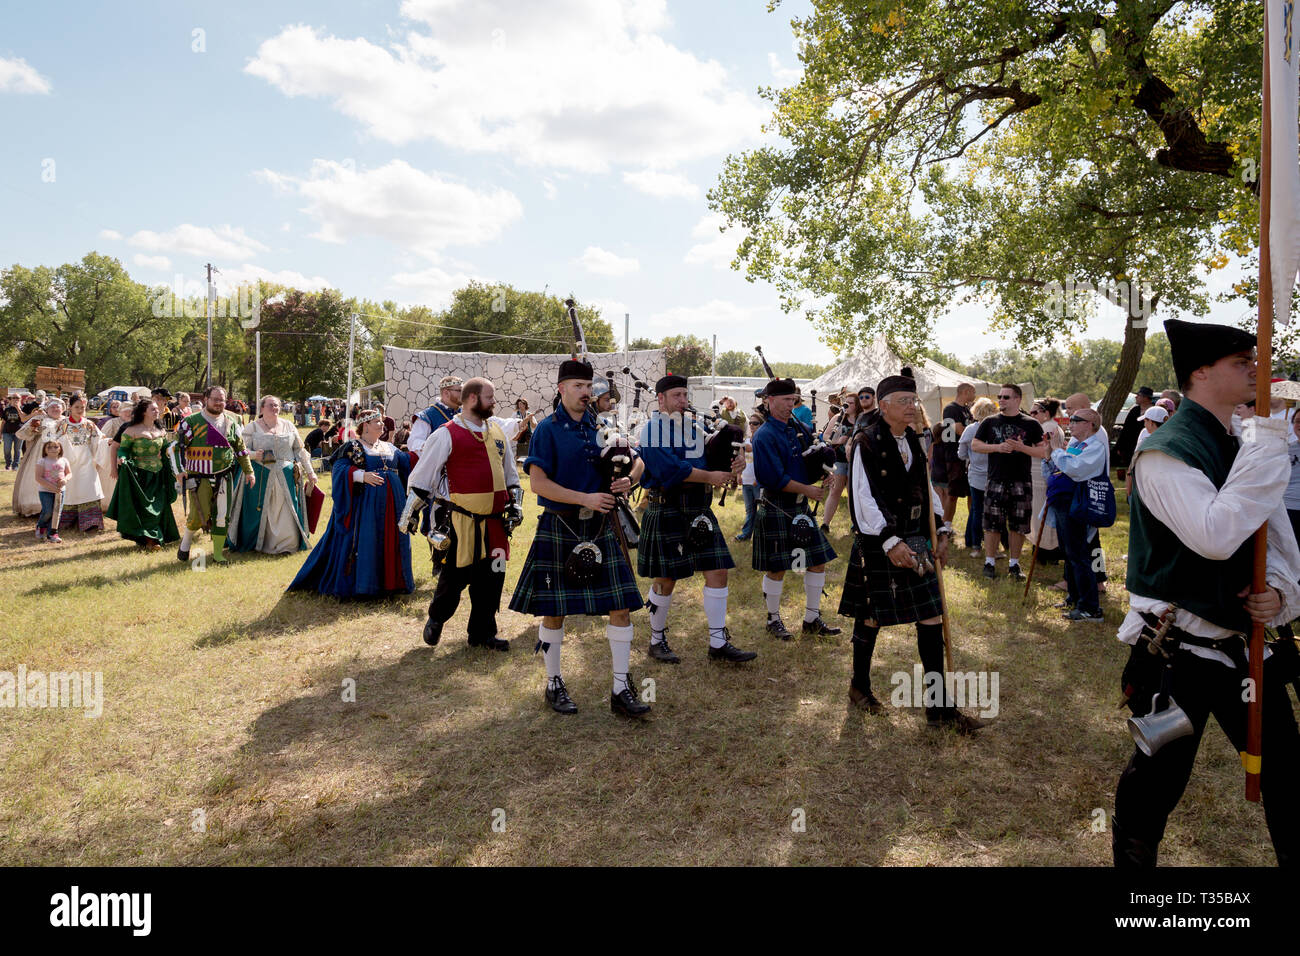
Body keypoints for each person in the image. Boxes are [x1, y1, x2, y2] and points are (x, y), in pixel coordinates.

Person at [1111, 318, 1300, 867]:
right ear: (1200, 373)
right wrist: (1268, 438)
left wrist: (1282, 596)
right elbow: (1215, 537)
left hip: (1244, 648)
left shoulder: (1239, 440)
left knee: (1289, 776)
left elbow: (1278, 539)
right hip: (1178, 650)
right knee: (1155, 782)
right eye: (1243, 363)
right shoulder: (1167, 451)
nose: (1256, 371)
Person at [507, 359, 651, 718]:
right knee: (555, 612)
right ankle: (553, 683)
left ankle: (620, 688)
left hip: (601, 527)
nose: (586, 393)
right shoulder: (547, 430)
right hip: (561, 524)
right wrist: (584, 497)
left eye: (589, 387)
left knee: (620, 607)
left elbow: (639, 462)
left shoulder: (600, 426)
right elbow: (537, 483)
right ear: (561, 389)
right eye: (578, 386)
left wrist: (627, 480)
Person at [839, 376, 983, 732]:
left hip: (918, 538)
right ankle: (859, 686)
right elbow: (862, 497)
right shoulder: (865, 441)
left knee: (931, 616)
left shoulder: (916, 441)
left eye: (913, 400)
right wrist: (890, 541)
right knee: (872, 616)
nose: (910, 406)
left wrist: (943, 529)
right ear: (883, 405)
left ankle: (939, 710)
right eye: (902, 400)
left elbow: (926, 489)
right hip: (879, 542)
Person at [637, 374, 756, 665]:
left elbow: (715, 454)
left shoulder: (694, 427)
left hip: (698, 508)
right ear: (660, 399)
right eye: (676, 395)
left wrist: (736, 460)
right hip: (667, 507)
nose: (682, 400)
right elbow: (671, 471)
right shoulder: (652, 430)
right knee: (667, 578)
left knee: (718, 570)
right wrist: (711, 476)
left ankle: (718, 643)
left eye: (684, 395)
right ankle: (656, 640)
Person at [404, 377, 523, 651]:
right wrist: (410, 513)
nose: (494, 402)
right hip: (461, 522)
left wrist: (514, 502)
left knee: (493, 578)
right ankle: (437, 617)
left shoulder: (496, 432)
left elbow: (510, 475)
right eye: (489, 397)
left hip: (495, 525)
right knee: (454, 579)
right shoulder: (446, 433)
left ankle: (482, 633)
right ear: (472, 399)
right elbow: (422, 477)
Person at [288, 410, 414, 598]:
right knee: (369, 539)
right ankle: (366, 585)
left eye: (381, 421)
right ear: (365, 426)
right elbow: (339, 469)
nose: (382, 425)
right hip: (365, 507)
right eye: (376, 422)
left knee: (391, 538)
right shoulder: (353, 446)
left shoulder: (390, 447)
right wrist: (361, 475)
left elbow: (408, 464)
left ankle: (393, 583)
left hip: (392, 504)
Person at [751, 378, 840, 640]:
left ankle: (812, 618)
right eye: (785, 400)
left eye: (793, 400)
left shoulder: (796, 428)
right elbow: (772, 478)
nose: (790, 405)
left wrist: (825, 472)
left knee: (816, 562)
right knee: (777, 567)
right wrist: (806, 489)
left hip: (800, 506)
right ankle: (773, 619)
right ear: (769, 401)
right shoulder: (764, 435)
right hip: (777, 505)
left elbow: (813, 454)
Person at [1022, 405, 1107, 621]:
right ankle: (1075, 597)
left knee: (1079, 554)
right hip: (1062, 502)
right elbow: (1058, 469)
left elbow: (1075, 468)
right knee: (1069, 553)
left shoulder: (1095, 447)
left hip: (1077, 503)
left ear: (1090, 424)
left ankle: (1090, 607)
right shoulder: (1077, 444)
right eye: (1071, 418)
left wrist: (1058, 451)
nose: (1071, 422)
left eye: (1077, 419)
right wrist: (1049, 455)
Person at [171, 386, 256, 564]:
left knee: (222, 516)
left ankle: (218, 554)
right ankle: (185, 544)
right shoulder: (191, 421)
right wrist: (179, 471)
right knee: (197, 516)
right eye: (215, 399)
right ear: (206, 399)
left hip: (225, 475)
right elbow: (176, 448)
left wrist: (249, 470)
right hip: (199, 477)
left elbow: (240, 448)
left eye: (222, 400)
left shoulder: (234, 420)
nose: (219, 403)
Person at [971, 383, 1043, 580]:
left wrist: (1022, 448)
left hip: (1022, 481)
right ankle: (990, 562)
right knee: (992, 524)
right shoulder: (989, 422)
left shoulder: (1031, 423)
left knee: (1019, 525)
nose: (1001, 400)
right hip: (996, 480)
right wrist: (997, 447)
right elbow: (975, 445)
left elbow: (1044, 451)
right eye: (1000, 397)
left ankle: (1014, 564)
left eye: (1006, 397)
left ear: (1018, 400)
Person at [230, 395, 316, 555]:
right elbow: (240, 451)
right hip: (260, 475)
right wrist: (256, 455)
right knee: (263, 509)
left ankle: (287, 545)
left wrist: (310, 472)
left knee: (286, 509)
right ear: (262, 408)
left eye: (276, 405)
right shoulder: (252, 428)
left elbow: (299, 450)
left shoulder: (289, 425)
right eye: (270, 405)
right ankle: (261, 544)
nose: (274, 408)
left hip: (286, 475)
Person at [106, 399, 180, 551]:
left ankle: (157, 536)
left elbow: (166, 448)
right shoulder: (131, 430)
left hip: (159, 473)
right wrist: (122, 459)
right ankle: (150, 540)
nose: (157, 411)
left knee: (159, 505)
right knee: (145, 508)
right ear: (143, 412)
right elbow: (123, 449)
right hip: (140, 474)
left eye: (156, 409)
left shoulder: (160, 429)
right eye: (153, 409)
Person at [50, 392, 107, 534]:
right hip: (67, 461)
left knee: (89, 488)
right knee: (69, 489)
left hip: (86, 461)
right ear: (70, 407)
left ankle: (90, 522)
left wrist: (107, 442)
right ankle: (67, 521)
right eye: (77, 407)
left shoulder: (89, 424)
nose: (80, 410)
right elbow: (52, 443)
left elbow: (99, 440)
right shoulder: (61, 424)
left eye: (83, 407)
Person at [957, 397, 1001, 557]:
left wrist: (971, 457)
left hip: (976, 475)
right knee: (995, 512)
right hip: (994, 475)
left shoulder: (970, 429)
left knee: (977, 510)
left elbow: (961, 454)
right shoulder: (996, 429)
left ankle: (976, 546)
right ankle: (994, 548)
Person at [1026, 398, 1067, 561]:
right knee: (1039, 511)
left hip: (1043, 476)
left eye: (1035, 412)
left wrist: (1021, 447)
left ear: (1046, 413)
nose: (1031, 415)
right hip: (1041, 474)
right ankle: (1044, 548)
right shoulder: (1047, 426)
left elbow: (1045, 452)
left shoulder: (1048, 427)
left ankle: (1046, 551)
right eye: (1031, 412)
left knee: (1041, 512)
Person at [931, 383, 976, 527]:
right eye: (973, 392)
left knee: (972, 494)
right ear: (966, 392)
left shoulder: (967, 410)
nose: (974, 396)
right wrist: (976, 436)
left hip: (970, 457)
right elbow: (958, 430)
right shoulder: (951, 409)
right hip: (955, 456)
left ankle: (972, 526)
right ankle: (946, 525)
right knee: (953, 495)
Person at [12, 398, 65, 517]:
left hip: (60, 453)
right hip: (40, 452)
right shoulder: (41, 418)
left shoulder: (66, 421)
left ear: (63, 409)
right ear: (47, 409)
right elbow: (21, 434)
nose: (55, 409)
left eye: (58, 407)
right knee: (37, 476)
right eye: (52, 407)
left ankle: (58, 506)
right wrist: (32, 428)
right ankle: (36, 505)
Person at [819, 393, 861, 532]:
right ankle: (825, 523)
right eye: (846, 402)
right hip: (839, 459)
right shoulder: (838, 418)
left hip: (856, 460)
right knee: (835, 490)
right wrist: (838, 441)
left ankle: (855, 524)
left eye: (851, 403)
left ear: (857, 405)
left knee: (852, 492)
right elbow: (825, 436)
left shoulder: (862, 419)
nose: (847, 405)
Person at [1124, 405, 1170, 498]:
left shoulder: (1145, 443)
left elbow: (1132, 467)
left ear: (1152, 422)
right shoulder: (1172, 440)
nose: (1144, 424)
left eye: (1145, 421)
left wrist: (1129, 490)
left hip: (1146, 490)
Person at [34, 439, 70, 544]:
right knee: (48, 511)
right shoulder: (42, 461)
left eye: (56, 447)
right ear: (45, 449)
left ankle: (53, 533)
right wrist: (51, 487)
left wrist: (65, 480)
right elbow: (38, 478)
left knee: (56, 512)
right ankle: (41, 526)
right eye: (49, 447)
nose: (53, 449)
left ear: (60, 449)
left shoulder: (64, 460)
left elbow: (69, 473)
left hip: (60, 491)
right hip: (45, 491)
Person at [735, 412, 764, 542]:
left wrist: (751, 448)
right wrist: (738, 475)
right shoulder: (745, 441)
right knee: (749, 511)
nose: (752, 425)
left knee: (762, 511)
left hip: (758, 481)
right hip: (746, 480)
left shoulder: (763, 441)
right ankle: (746, 535)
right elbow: (740, 459)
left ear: (761, 425)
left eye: (755, 423)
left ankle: (762, 536)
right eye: (750, 423)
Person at [1116, 387, 1154, 473]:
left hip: (1146, 447)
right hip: (1130, 448)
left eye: (1138, 395)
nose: (1136, 397)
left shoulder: (1153, 411)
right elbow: (1125, 429)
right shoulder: (1134, 410)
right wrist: (1120, 446)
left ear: (1146, 397)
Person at [3, 393, 25, 470]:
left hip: (19, 432)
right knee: (7, 449)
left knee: (17, 449)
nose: (15, 399)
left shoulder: (23, 408)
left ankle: (15, 465)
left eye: (17, 398)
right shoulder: (7, 409)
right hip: (7, 432)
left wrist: (18, 408)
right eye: (13, 398)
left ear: (20, 399)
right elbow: (3, 422)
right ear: (10, 399)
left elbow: (24, 419)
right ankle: (8, 463)